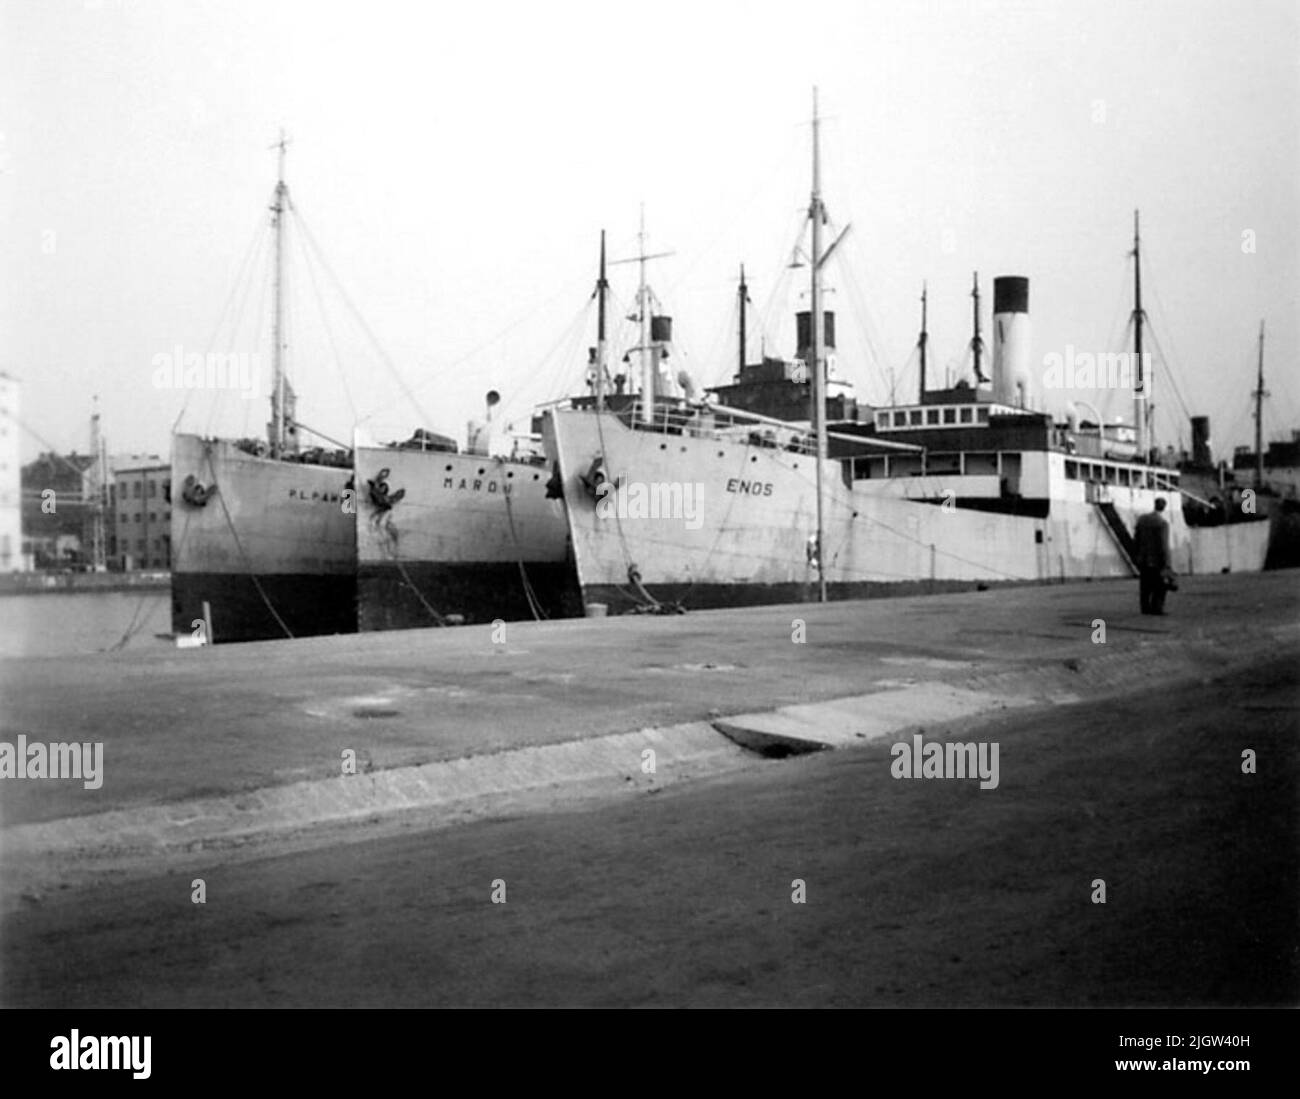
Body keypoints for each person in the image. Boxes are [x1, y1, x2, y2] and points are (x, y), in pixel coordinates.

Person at [1134, 497, 1172, 615]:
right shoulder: (1162, 523)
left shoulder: (1142, 520)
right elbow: (1163, 544)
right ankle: (1157, 608)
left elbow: (1136, 539)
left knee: (1145, 586)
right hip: (1157, 560)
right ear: (1164, 507)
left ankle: (1145, 608)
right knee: (1160, 586)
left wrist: (1137, 555)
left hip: (1143, 559)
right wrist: (1167, 563)